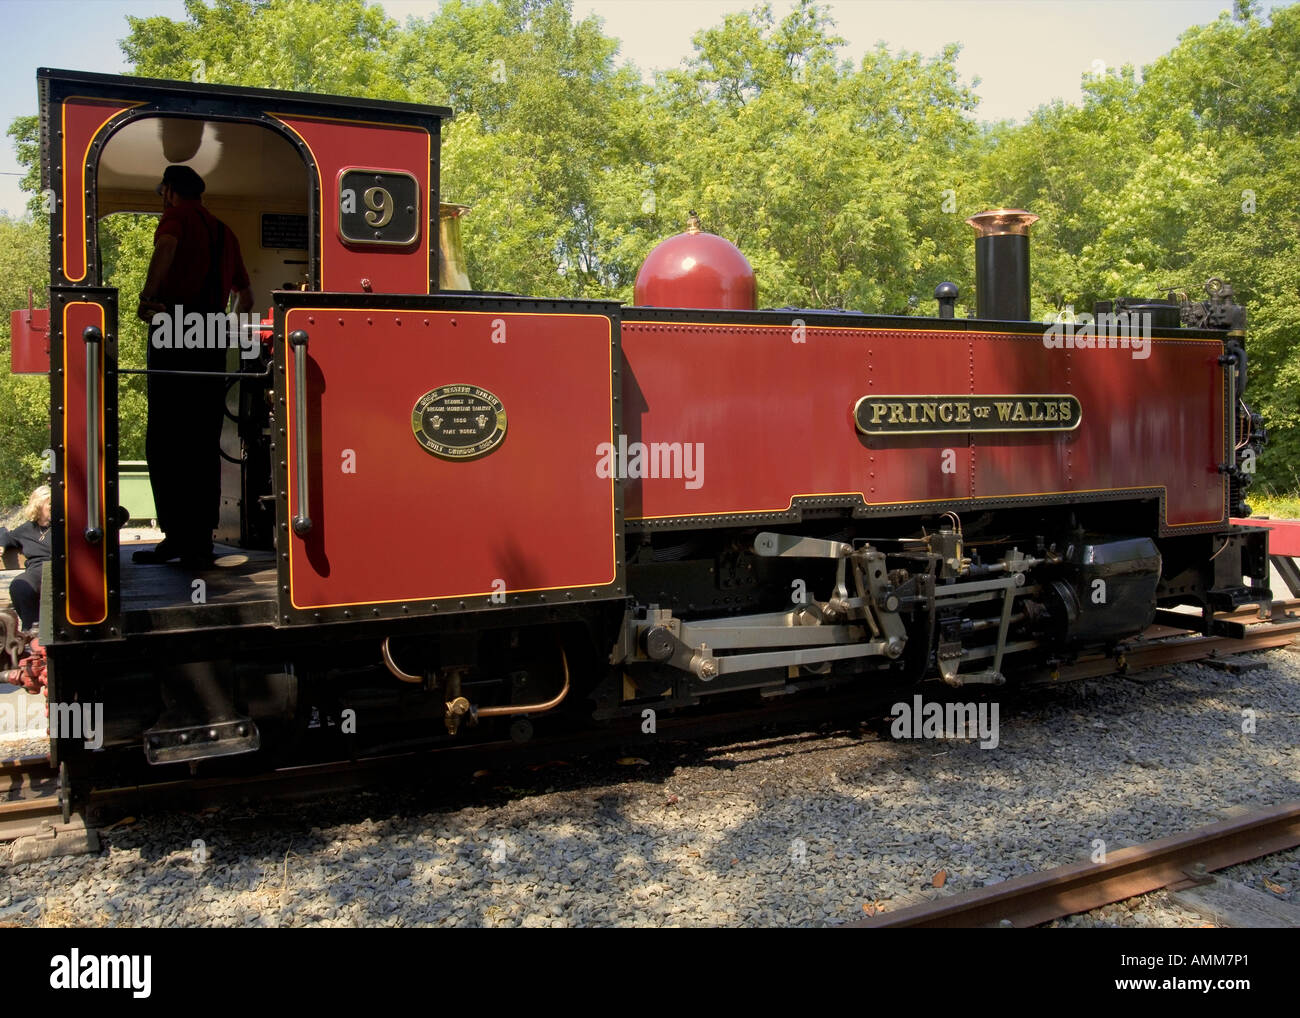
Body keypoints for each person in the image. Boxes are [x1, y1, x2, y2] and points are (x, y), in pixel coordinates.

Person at [134, 164, 254, 568]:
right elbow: (247, 297)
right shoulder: (226, 232)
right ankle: (199, 539)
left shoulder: (176, 216)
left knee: (167, 438)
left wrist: (149, 299)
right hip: (212, 335)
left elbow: (166, 249)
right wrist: (230, 331)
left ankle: (176, 535)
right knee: (203, 440)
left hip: (175, 326)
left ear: (169, 190)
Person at [0, 486, 52, 631]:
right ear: (38, 506)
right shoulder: (26, 529)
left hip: (60, 568)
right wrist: (2, 545)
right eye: (50, 504)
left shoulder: (64, 525)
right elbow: (6, 535)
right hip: (36, 570)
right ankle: (32, 631)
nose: (54, 507)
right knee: (20, 586)